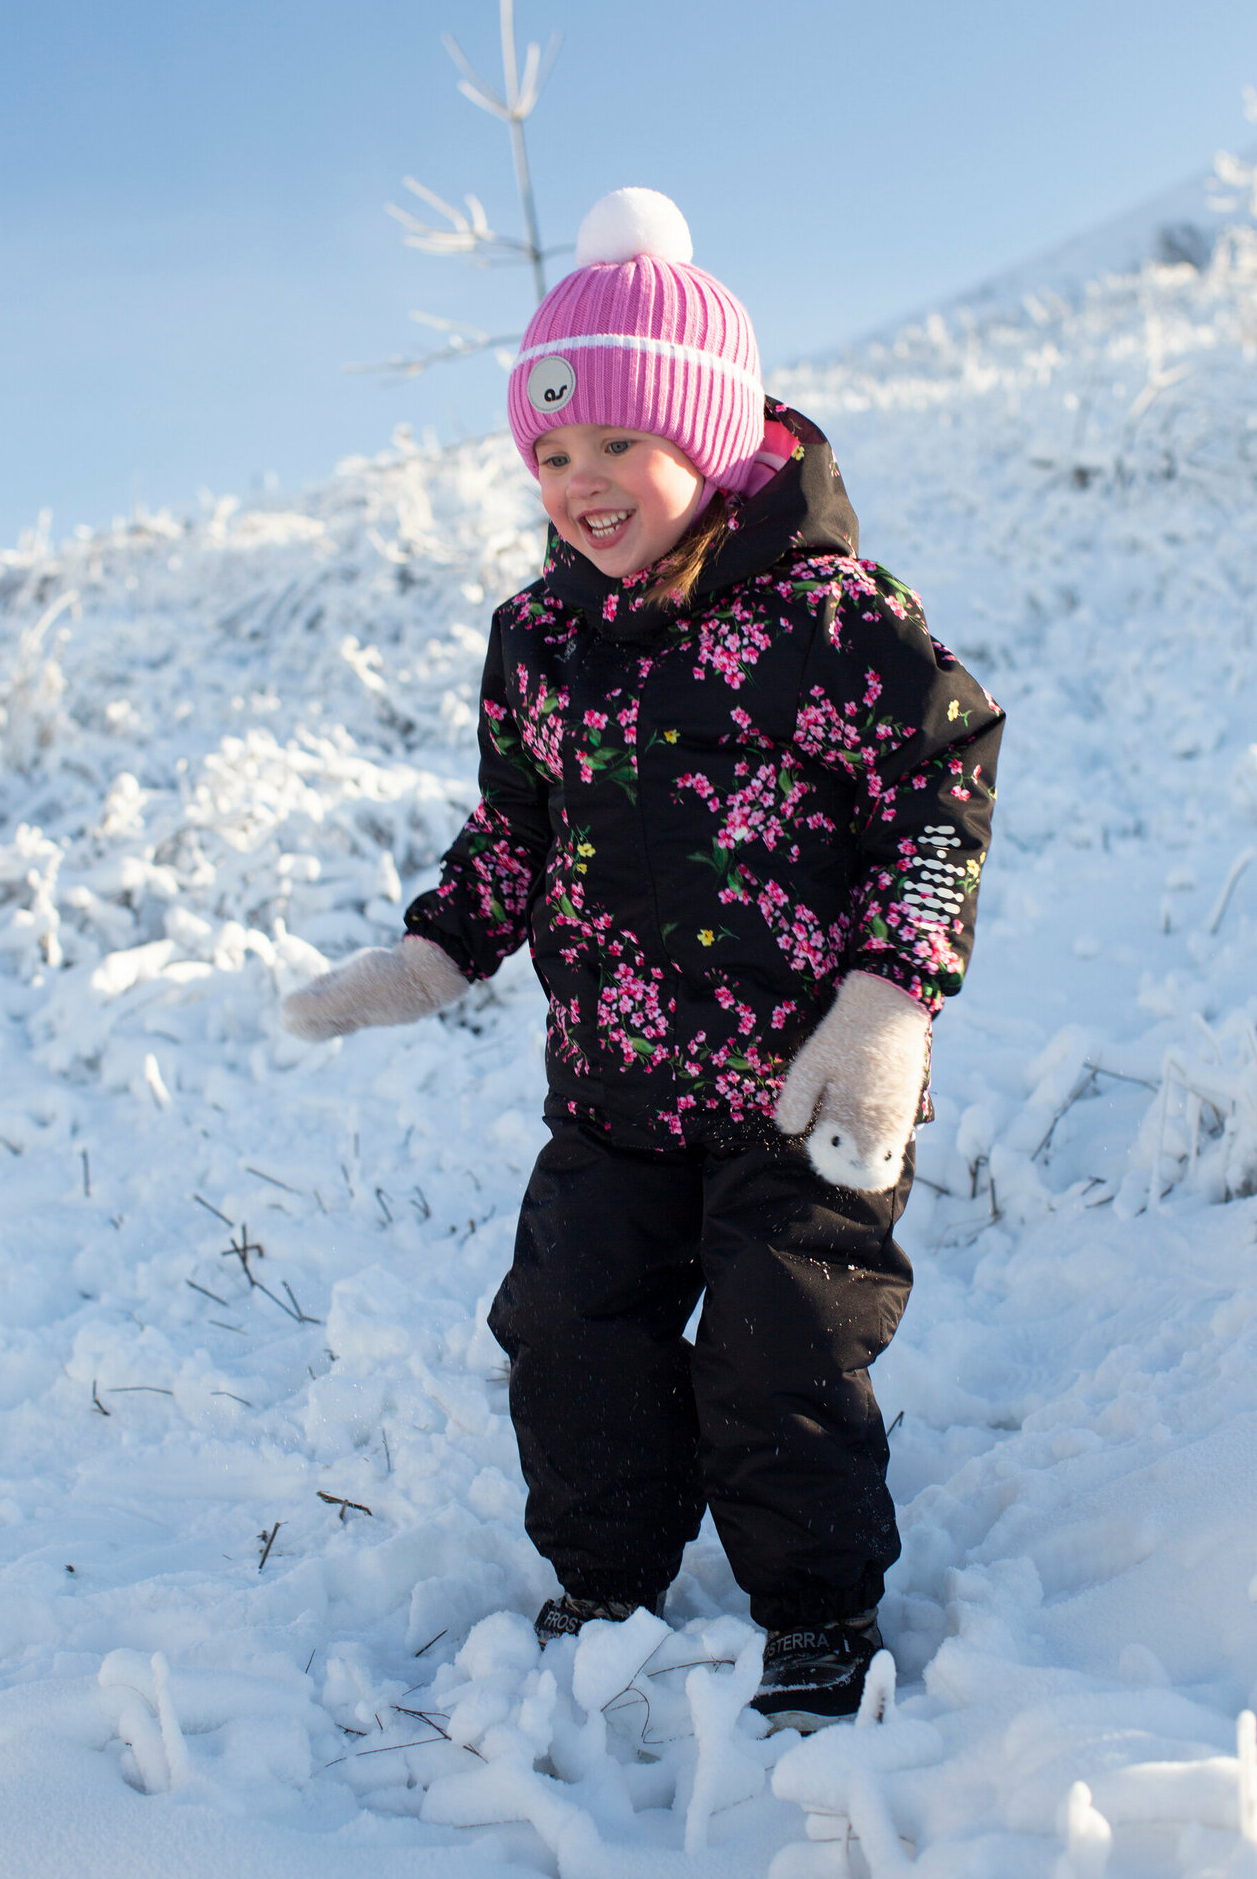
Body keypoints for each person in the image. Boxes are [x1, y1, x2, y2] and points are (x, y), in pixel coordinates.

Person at [283, 189, 1004, 1730]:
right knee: (565, 1333)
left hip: (798, 1090)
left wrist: (888, 999)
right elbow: (515, 831)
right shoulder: (538, 637)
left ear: (708, 433)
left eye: (616, 443)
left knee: (779, 1344)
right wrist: (432, 952)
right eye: (548, 456)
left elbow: (937, 791)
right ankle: (605, 1578)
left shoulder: (827, 621)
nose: (579, 485)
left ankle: (814, 1616)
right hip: (610, 1087)